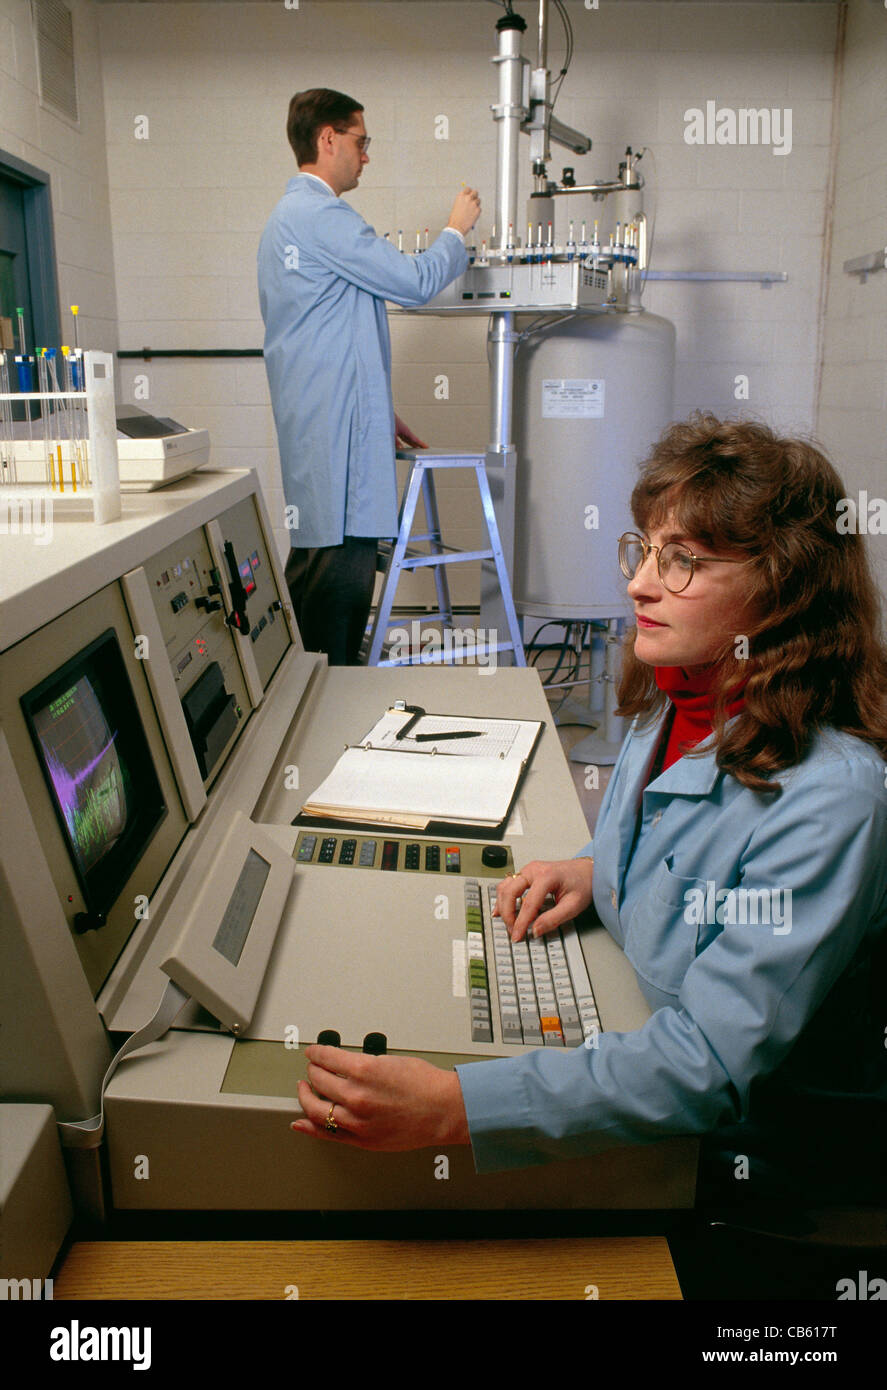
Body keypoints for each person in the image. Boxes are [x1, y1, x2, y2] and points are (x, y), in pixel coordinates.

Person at [290, 415, 887, 1207]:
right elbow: (696, 850)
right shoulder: (678, 694)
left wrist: (453, 1109)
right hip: (637, 1032)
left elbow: (706, 1065)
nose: (640, 583)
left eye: (684, 562)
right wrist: (602, 867)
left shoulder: (832, 797)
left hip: (751, 1150)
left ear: (784, 584)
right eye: (642, 550)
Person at [258, 88, 481, 665]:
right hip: (337, 442)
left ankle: (303, 707)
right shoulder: (319, 215)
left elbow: (328, 337)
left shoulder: (289, 220)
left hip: (326, 427)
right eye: (361, 142)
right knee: (338, 596)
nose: (366, 156)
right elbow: (411, 282)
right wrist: (456, 233)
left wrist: (381, 410)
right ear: (327, 138)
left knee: (313, 581)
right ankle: (329, 720)